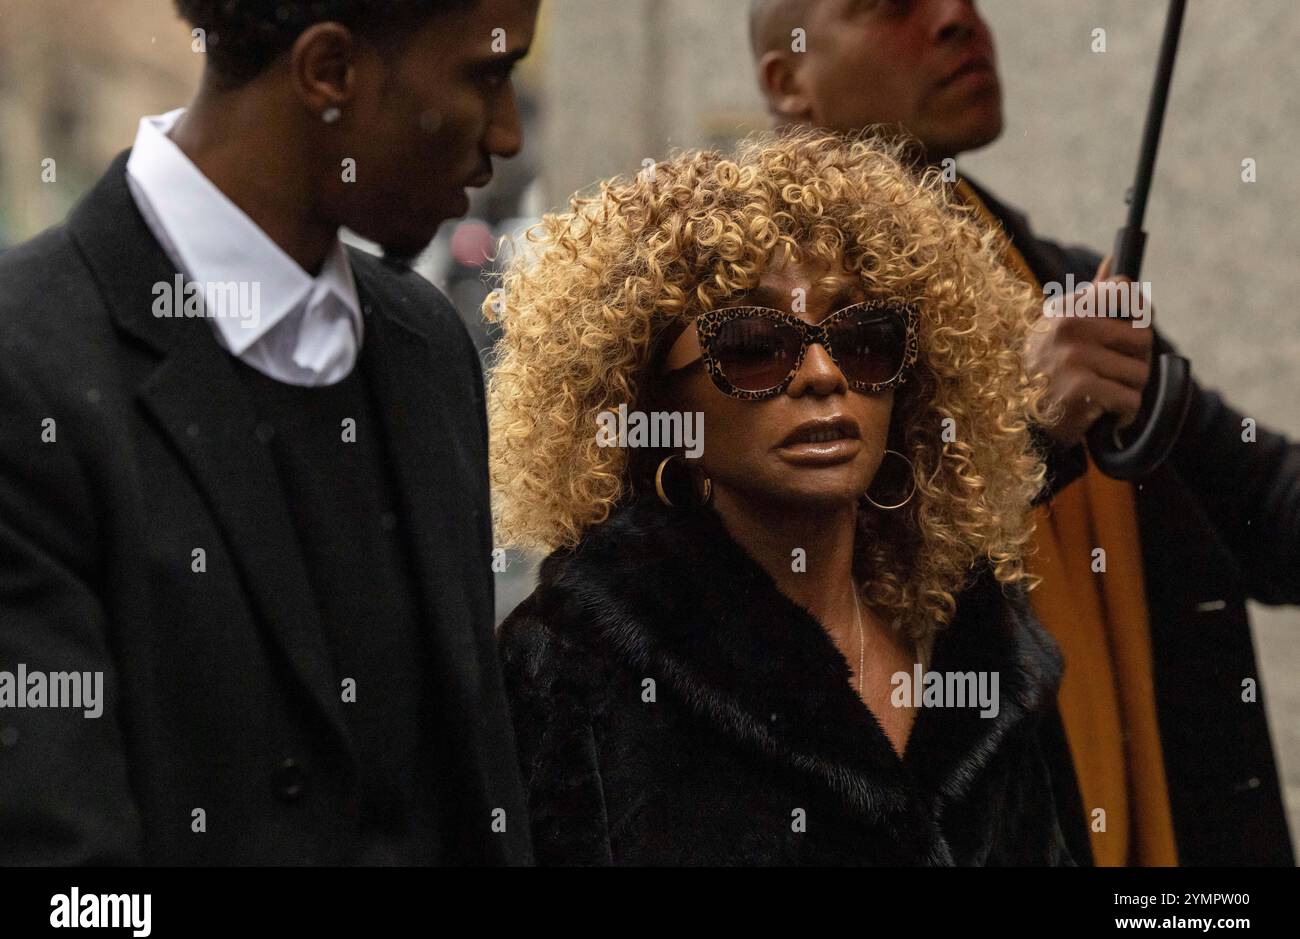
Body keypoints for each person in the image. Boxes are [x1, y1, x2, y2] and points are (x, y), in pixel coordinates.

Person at [748, 0, 1299, 865]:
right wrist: (1019, 436)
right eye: (894, 6)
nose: (956, 18)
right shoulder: (753, 334)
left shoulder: (1061, 286)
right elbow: (794, 614)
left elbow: (1274, 516)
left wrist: (1160, 407)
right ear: (790, 80)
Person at [0, 0, 540, 865]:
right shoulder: (28, 367)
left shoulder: (424, 345)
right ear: (329, 72)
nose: (507, 134)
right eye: (488, 74)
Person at [490, 128, 1076, 865]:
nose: (823, 374)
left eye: (862, 337)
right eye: (754, 346)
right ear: (653, 402)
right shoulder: (574, 662)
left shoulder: (980, 633)